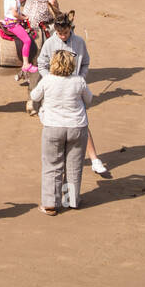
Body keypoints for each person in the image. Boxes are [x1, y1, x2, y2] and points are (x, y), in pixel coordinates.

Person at [36, 16, 110, 177]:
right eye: (60, 33)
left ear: (71, 28)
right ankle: (59, 164)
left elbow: (85, 63)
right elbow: (41, 64)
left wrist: (80, 79)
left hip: (73, 90)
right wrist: (50, 79)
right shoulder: (49, 44)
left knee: (81, 122)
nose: (63, 36)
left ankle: (94, 159)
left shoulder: (79, 42)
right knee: (54, 128)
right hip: (54, 91)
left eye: (66, 32)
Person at [31, 50, 93, 214]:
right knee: (74, 165)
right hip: (77, 127)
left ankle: (50, 203)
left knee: (52, 165)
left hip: (53, 126)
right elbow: (89, 99)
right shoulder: (78, 80)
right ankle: (71, 200)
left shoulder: (47, 80)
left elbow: (34, 96)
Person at [1, 0, 36, 75]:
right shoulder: (14, 0)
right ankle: (25, 63)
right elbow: (15, 14)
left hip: (7, 21)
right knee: (27, 40)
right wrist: (24, 18)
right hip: (13, 24)